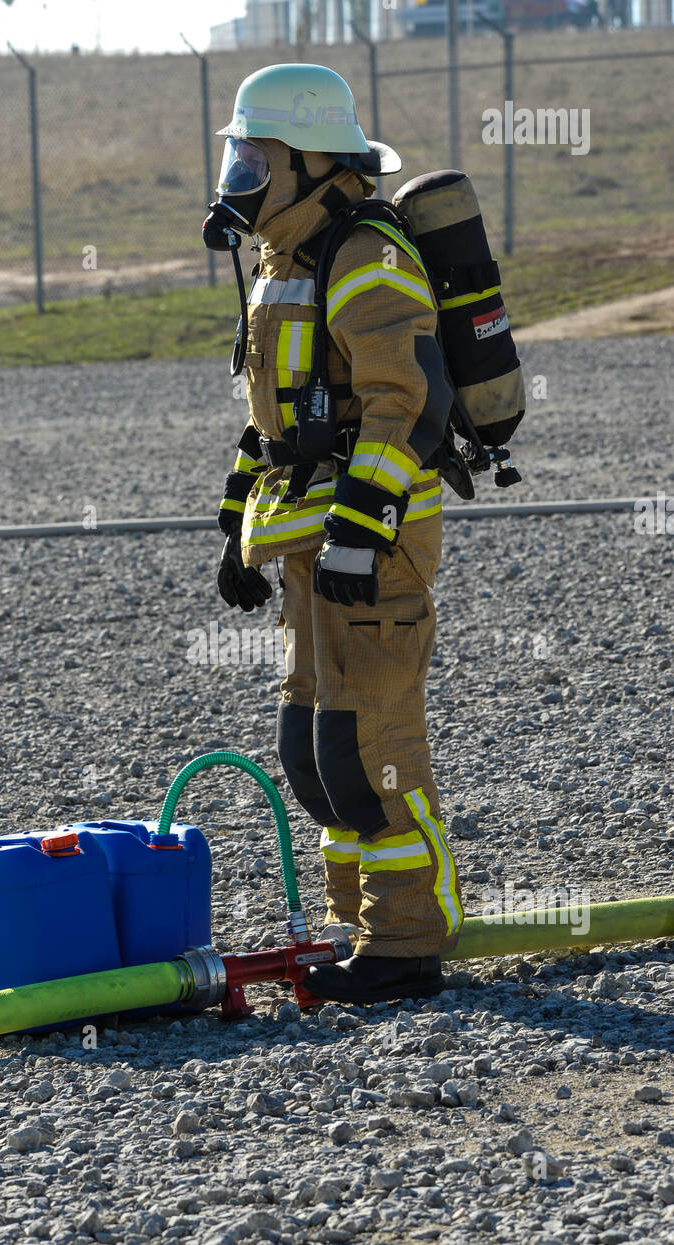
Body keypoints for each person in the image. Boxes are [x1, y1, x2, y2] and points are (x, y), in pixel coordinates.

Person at [204, 64, 463, 1005]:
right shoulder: (285, 258)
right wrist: (236, 528)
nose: (238, 178)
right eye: (235, 157)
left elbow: (408, 403)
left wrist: (361, 533)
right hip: (308, 539)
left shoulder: (364, 253)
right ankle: (359, 930)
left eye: (254, 159)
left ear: (313, 162)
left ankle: (405, 944)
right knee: (311, 746)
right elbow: (272, 422)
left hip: (372, 543)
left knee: (370, 744)